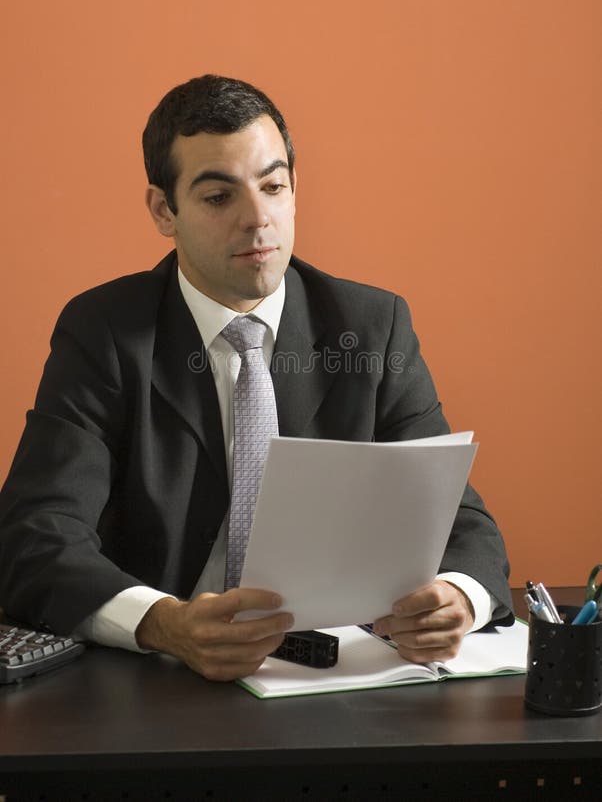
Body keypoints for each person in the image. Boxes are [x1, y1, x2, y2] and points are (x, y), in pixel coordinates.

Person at [0, 76, 513, 682]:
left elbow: (462, 521)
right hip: (158, 684)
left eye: (274, 186)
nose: (257, 219)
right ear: (165, 211)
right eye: (219, 197)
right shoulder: (105, 332)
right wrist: (163, 622)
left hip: (339, 677)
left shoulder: (372, 327)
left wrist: (458, 598)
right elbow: (35, 536)